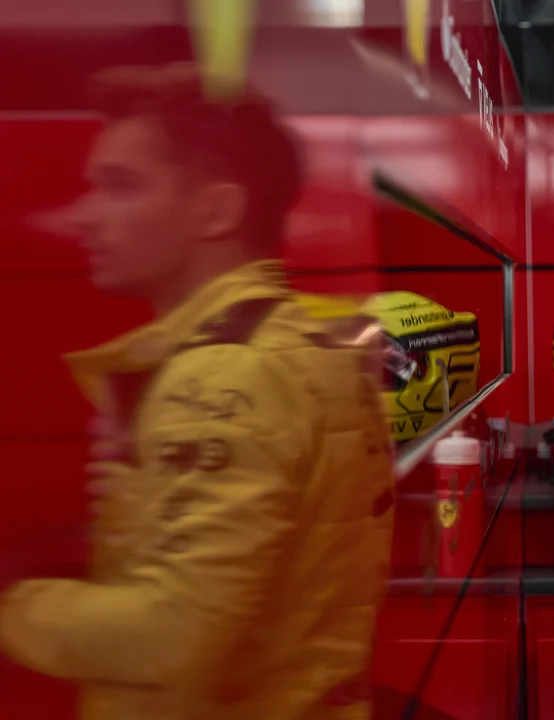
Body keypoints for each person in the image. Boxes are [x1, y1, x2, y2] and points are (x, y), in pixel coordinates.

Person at [0, 63, 395, 719]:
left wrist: (13, 608)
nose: (84, 217)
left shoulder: (225, 374)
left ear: (217, 211)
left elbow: (169, 635)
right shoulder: (301, 345)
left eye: (120, 187)